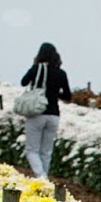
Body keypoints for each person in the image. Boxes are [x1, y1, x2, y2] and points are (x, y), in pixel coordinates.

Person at [19, 42, 73, 179]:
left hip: (37, 112)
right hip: (54, 114)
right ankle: (43, 180)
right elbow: (68, 96)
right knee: (46, 151)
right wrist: (54, 94)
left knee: (31, 150)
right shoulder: (61, 73)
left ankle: (42, 177)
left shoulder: (37, 68)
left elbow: (24, 82)